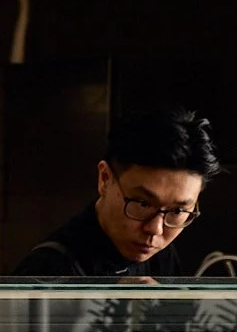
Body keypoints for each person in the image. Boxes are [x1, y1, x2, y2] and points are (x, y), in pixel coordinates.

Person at [12, 108, 220, 278]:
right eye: (143, 203)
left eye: (177, 210)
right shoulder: (49, 270)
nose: (155, 230)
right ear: (104, 179)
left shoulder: (162, 255)